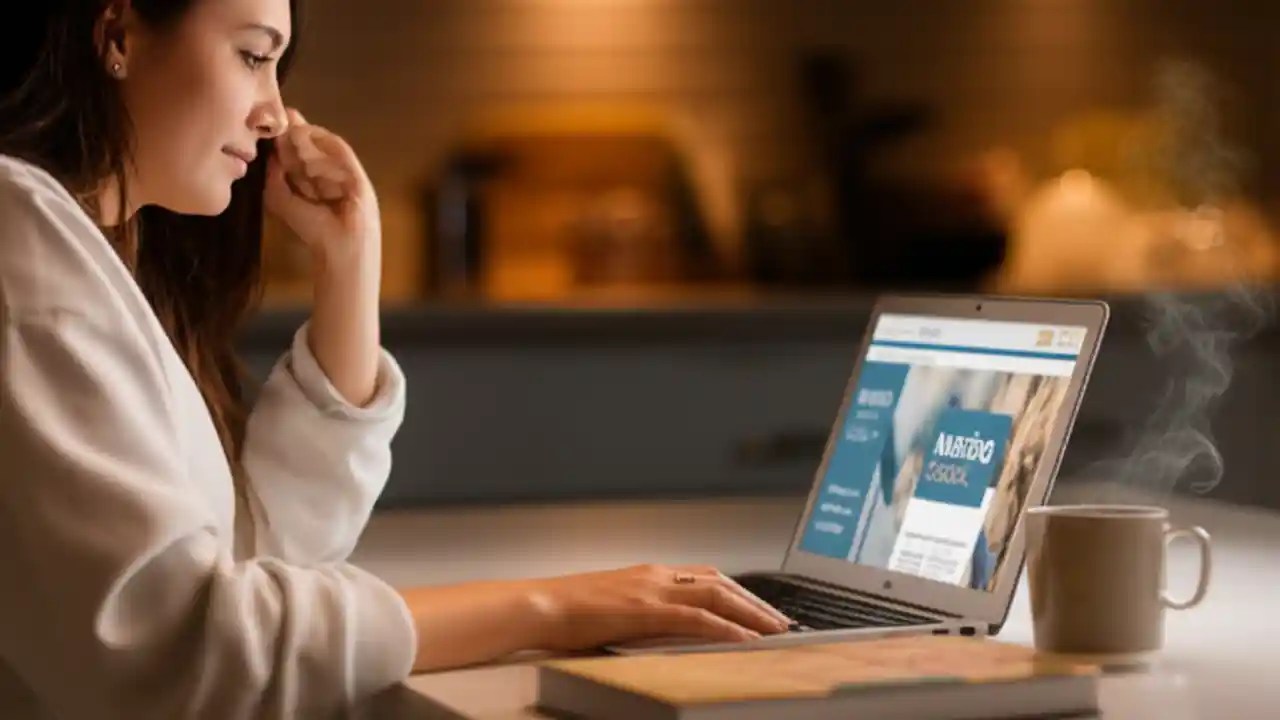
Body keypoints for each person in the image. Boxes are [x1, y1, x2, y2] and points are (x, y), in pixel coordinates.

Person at [0, 2, 790, 717]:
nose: (274, 113)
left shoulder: (79, 248)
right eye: (251, 55)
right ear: (117, 37)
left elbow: (265, 564)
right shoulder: (22, 245)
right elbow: (185, 652)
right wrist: (556, 606)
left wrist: (348, 268)